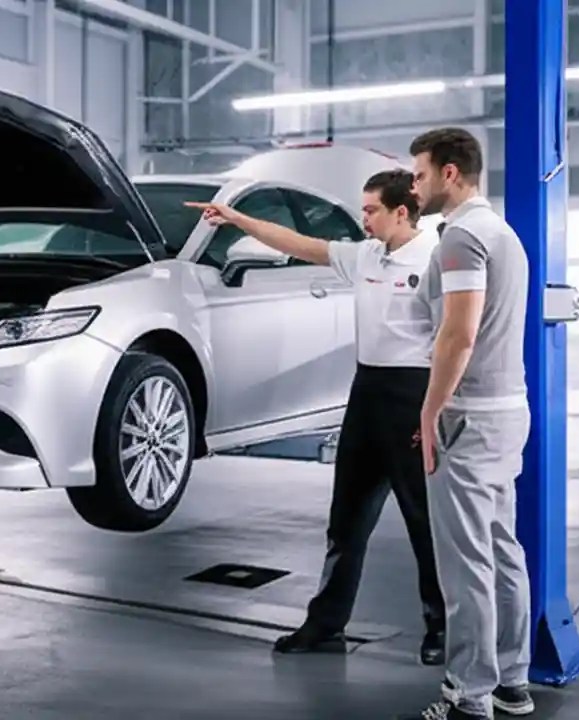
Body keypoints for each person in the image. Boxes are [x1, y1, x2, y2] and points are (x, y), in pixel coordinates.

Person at [186, 168, 447, 666]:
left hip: (412, 394)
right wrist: (238, 219)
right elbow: (299, 244)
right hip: (366, 394)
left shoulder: (435, 258)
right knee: (345, 522)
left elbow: (453, 338)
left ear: (400, 212)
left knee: (422, 521)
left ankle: (441, 627)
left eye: (370, 210)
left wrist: (436, 409)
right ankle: (325, 624)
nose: (362, 218)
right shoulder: (365, 255)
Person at [403, 127, 536, 720]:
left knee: (464, 562)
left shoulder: (461, 237)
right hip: (507, 412)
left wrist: (431, 409)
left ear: (450, 173)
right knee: (502, 548)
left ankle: (468, 694)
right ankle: (512, 681)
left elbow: (459, 333)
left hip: (469, 418)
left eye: (420, 175)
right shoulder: (502, 234)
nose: (414, 186)